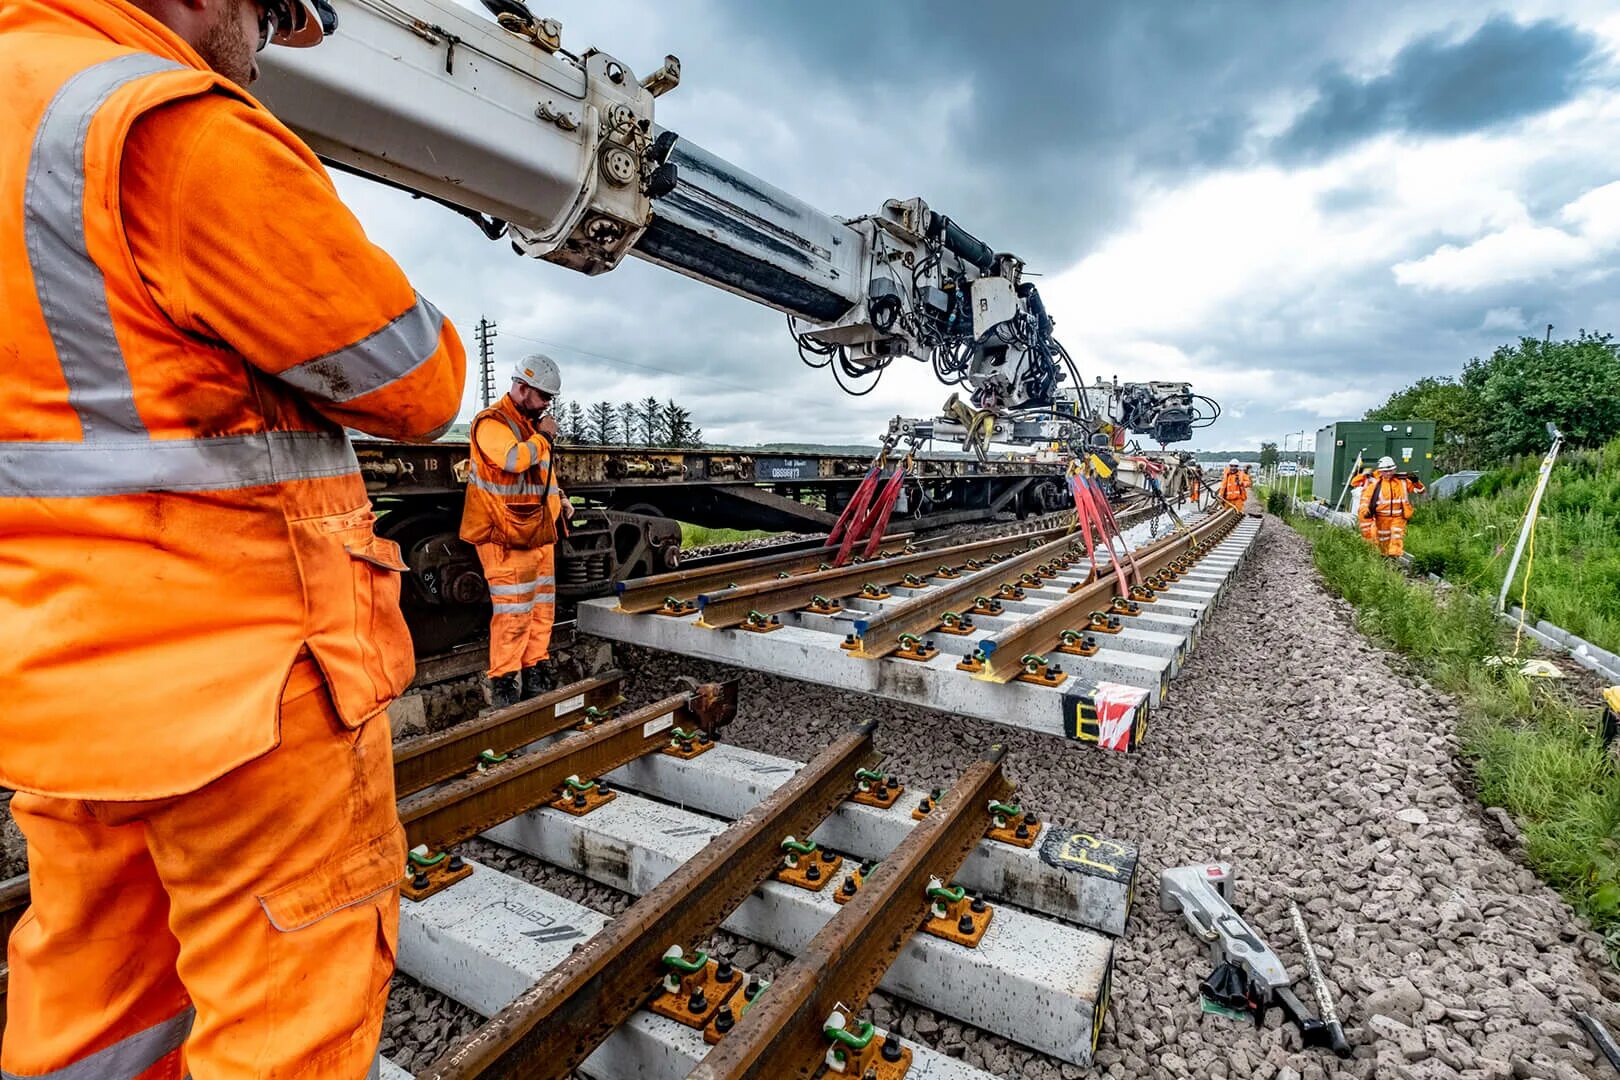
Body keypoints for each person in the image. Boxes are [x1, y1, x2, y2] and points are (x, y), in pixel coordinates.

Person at [0, 0, 466, 1074]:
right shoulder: (162, 126)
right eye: (263, 15)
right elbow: (418, 382)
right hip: (244, 694)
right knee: (283, 1023)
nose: (256, 46)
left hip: (60, 695)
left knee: (98, 1022)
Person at [462, 355, 575, 707]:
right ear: (522, 388)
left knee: (541, 608)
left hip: (536, 532)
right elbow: (514, 461)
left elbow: (539, 477)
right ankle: (505, 682)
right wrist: (543, 438)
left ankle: (535, 668)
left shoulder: (529, 427)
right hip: (504, 534)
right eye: (543, 396)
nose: (547, 404)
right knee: (513, 611)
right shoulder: (492, 422)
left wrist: (561, 499)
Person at [1350, 456, 1426, 557]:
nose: (1389, 473)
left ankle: (1394, 557)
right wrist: (1365, 511)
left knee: (1396, 537)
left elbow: (1421, 491)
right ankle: (1385, 560)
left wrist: (1416, 482)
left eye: (1390, 470)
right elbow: (1365, 499)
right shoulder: (1376, 484)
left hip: (1399, 517)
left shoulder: (1403, 481)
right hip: (1382, 519)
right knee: (1383, 542)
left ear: (1395, 469)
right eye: (1385, 471)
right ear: (1380, 471)